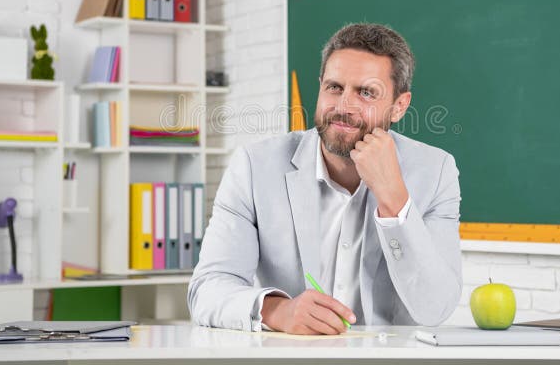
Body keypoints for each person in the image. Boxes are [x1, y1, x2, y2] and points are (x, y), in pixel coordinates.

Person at [188, 23, 462, 334]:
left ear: (399, 106)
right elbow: (206, 290)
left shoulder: (435, 172)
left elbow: (435, 308)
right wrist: (278, 311)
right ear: (320, 86)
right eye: (334, 87)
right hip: (293, 354)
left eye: (366, 92)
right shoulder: (255, 167)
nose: (344, 106)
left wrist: (394, 200)